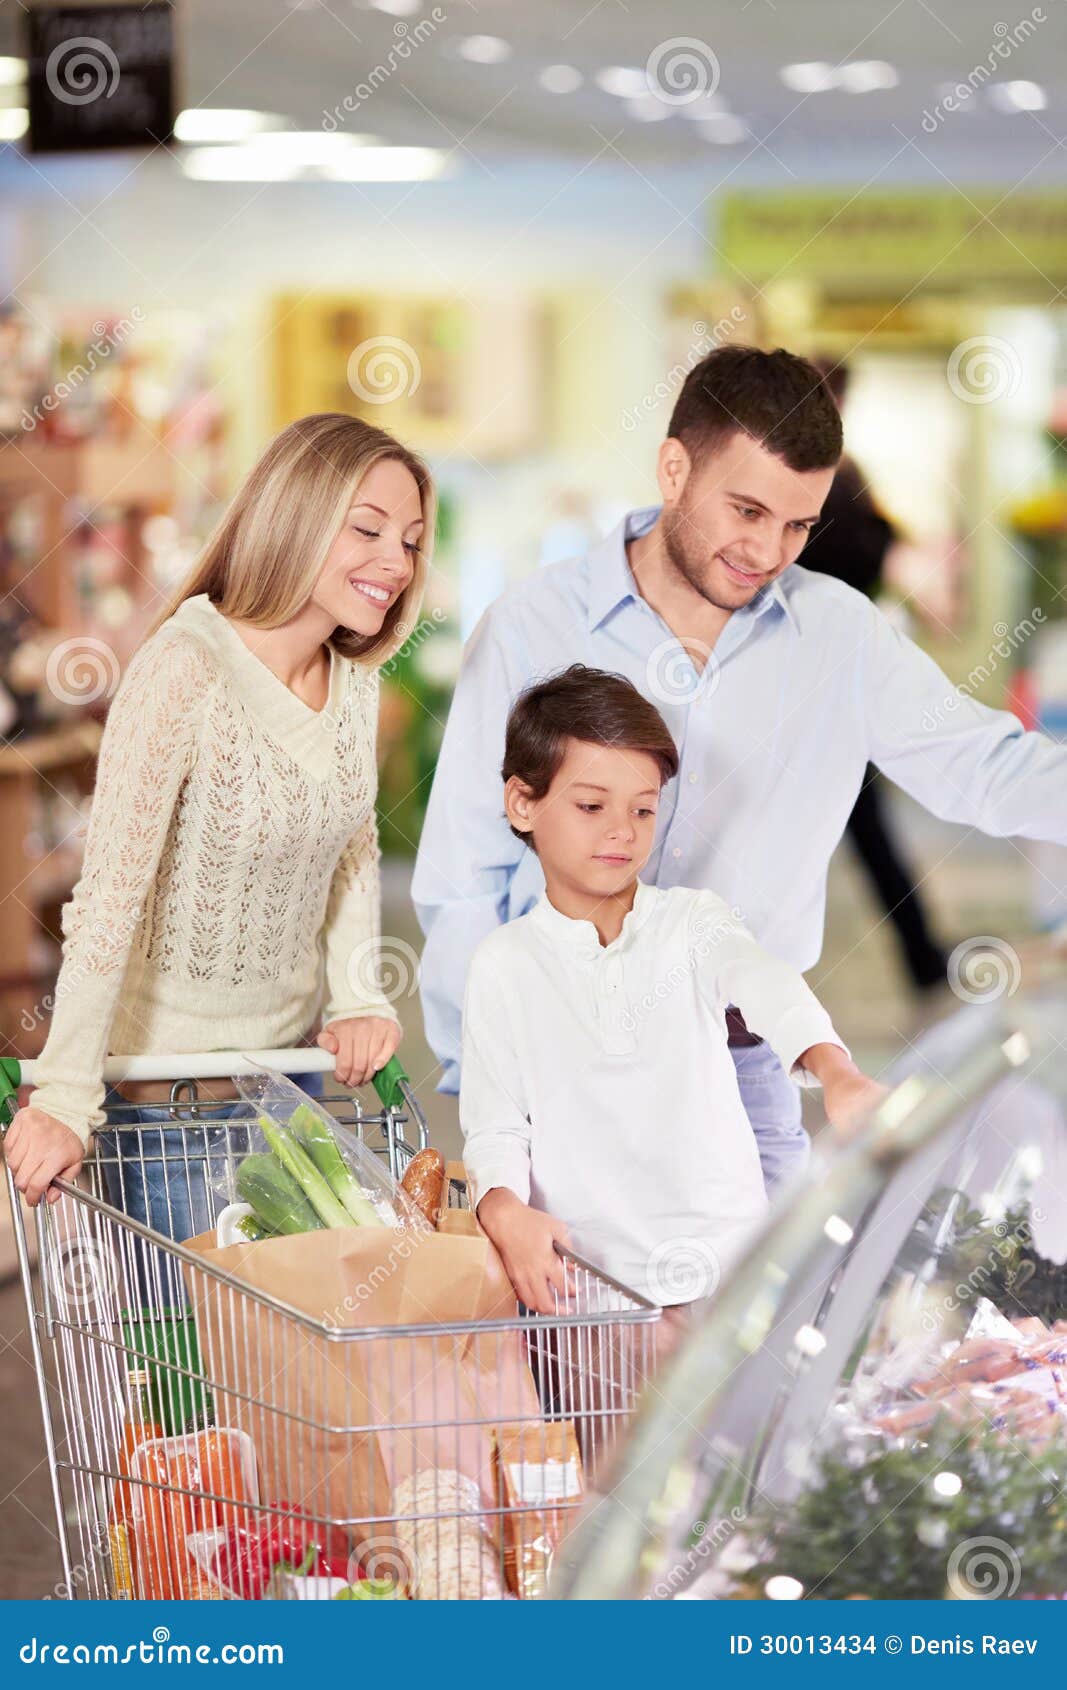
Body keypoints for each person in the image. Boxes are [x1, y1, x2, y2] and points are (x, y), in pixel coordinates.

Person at [413, 346, 1067, 1194]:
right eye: (747, 510)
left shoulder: (838, 635)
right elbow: (464, 874)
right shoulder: (530, 628)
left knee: (738, 1324)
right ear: (673, 468)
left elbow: (982, 767)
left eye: (799, 525)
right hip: (557, 1066)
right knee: (568, 1324)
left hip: (744, 1073)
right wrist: (486, 1078)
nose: (768, 551)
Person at [5, 413, 433, 1260]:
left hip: (285, 1085)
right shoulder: (185, 668)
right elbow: (109, 896)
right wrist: (61, 1094)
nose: (396, 562)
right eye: (368, 529)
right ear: (295, 515)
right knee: (179, 1378)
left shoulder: (353, 681)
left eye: (414, 541)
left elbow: (351, 848)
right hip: (165, 1105)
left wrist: (358, 996)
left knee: (271, 1372)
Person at [460, 665, 883, 1315]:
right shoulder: (504, 964)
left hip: (727, 1281)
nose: (622, 831)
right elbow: (494, 1126)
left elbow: (767, 983)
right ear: (523, 802)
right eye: (590, 805)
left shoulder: (692, 922)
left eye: (643, 808)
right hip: (590, 1297)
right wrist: (503, 1209)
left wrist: (835, 1071)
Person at [804, 357, 947, 993]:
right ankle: (920, 955)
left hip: (828, 676)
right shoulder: (822, 473)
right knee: (857, 828)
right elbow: (867, 548)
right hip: (817, 678)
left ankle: (921, 954)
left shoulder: (835, 470)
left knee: (860, 827)